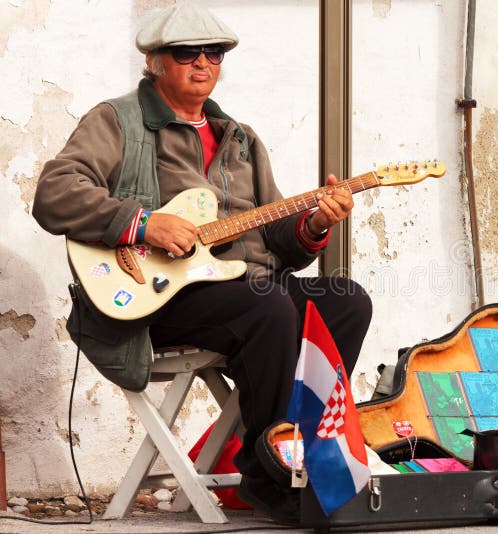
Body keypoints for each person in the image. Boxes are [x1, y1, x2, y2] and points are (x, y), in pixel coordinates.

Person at [32, 3, 372, 523]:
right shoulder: (116, 121)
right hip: (156, 299)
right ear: (154, 61)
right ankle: (269, 478)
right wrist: (142, 224)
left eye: (213, 53)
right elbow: (55, 194)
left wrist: (315, 225)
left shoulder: (241, 138)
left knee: (347, 303)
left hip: (247, 290)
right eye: (187, 53)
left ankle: (298, 454)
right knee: (270, 309)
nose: (202, 63)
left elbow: (276, 242)